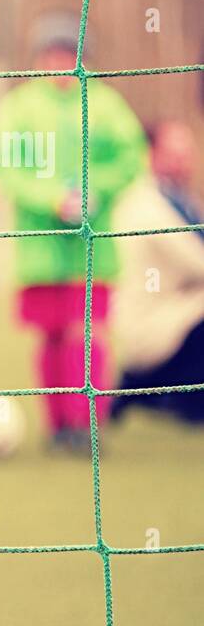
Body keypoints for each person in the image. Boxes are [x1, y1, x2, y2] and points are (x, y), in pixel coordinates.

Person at [0, 12, 147, 451]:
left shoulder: (106, 105)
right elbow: (6, 167)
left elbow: (130, 157)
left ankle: (87, 420)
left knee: (88, 330)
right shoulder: (20, 106)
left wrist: (95, 190)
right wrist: (50, 200)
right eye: (50, 54)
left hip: (91, 243)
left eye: (67, 53)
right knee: (52, 333)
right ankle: (58, 421)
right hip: (40, 245)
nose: (58, 62)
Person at [110, 120, 204, 423]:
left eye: (186, 153)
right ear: (150, 154)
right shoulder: (146, 204)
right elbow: (197, 260)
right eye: (173, 153)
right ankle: (182, 398)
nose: (182, 161)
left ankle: (147, 391)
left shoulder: (174, 198)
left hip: (172, 313)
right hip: (150, 328)